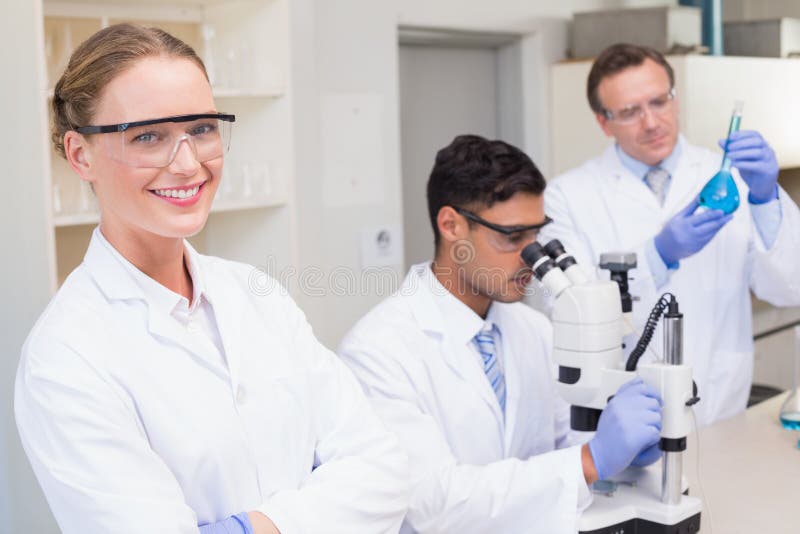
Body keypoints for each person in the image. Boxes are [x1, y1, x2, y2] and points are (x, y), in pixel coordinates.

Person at [14, 24, 409, 534]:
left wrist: (245, 526)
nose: (188, 163)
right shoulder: (66, 357)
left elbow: (383, 472)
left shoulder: (255, 294)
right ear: (80, 154)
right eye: (148, 136)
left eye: (201, 128)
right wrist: (319, 508)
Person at [338, 134, 663, 533]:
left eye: (536, 235)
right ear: (451, 225)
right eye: (512, 237)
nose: (533, 257)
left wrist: (624, 451)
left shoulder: (535, 329)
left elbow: (565, 443)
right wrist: (592, 459)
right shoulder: (376, 351)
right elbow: (434, 503)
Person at [540, 43, 800, 426]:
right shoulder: (567, 196)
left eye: (659, 102)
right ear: (603, 121)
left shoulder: (732, 180)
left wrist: (763, 196)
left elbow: (790, 288)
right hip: (619, 421)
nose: (650, 122)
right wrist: (658, 255)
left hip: (718, 412)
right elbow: (568, 311)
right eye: (630, 111)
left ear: (674, 99)